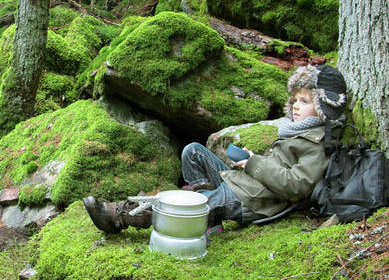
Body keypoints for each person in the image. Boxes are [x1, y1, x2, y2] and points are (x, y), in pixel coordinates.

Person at [83, 65, 348, 234]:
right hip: (247, 183)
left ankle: (119, 217)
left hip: (252, 199)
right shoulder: (297, 131)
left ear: (324, 108)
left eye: (305, 101)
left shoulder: (317, 144)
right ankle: (208, 213)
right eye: (295, 100)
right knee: (193, 151)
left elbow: (297, 186)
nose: (297, 106)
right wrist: (249, 160)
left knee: (184, 207)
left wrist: (253, 163)